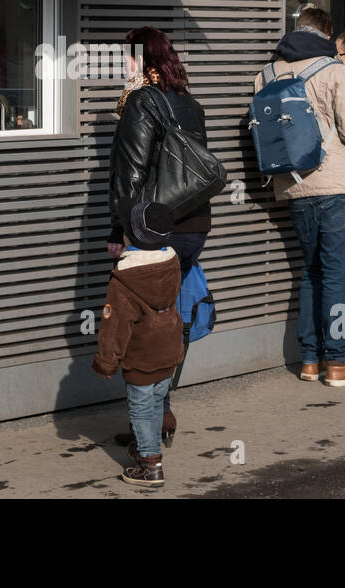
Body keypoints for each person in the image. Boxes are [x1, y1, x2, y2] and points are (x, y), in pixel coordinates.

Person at [253, 7, 345, 386]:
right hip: (334, 184)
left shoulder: (266, 74)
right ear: (326, 33)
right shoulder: (333, 69)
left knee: (310, 271)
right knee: (336, 273)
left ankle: (309, 360)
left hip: (292, 185)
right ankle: (337, 362)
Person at [107, 26, 209, 446]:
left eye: (123, 57)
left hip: (150, 230)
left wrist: (121, 230)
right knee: (169, 320)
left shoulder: (140, 102)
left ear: (139, 60)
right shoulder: (189, 103)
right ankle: (160, 412)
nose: (119, 66)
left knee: (143, 328)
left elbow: (129, 175)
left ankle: (148, 433)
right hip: (192, 228)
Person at [92, 199, 184, 489]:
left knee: (142, 407)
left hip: (142, 354)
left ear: (132, 237)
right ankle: (147, 440)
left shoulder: (125, 279)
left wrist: (106, 361)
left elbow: (114, 325)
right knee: (156, 400)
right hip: (168, 347)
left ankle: (150, 464)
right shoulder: (171, 262)